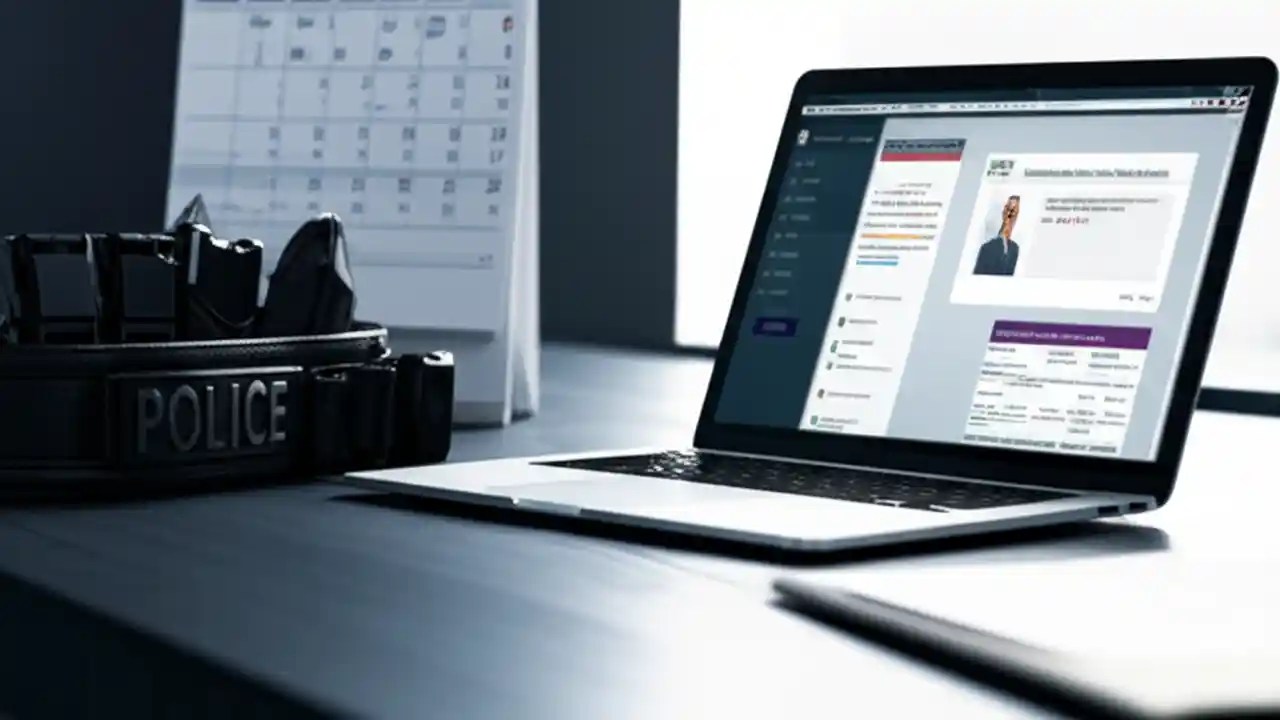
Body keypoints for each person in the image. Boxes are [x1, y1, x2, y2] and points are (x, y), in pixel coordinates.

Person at [973, 195, 1021, 276]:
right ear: (1003, 212)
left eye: (1013, 211)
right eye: (1007, 209)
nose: (1009, 214)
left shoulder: (1014, 249)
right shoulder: (987, 247)